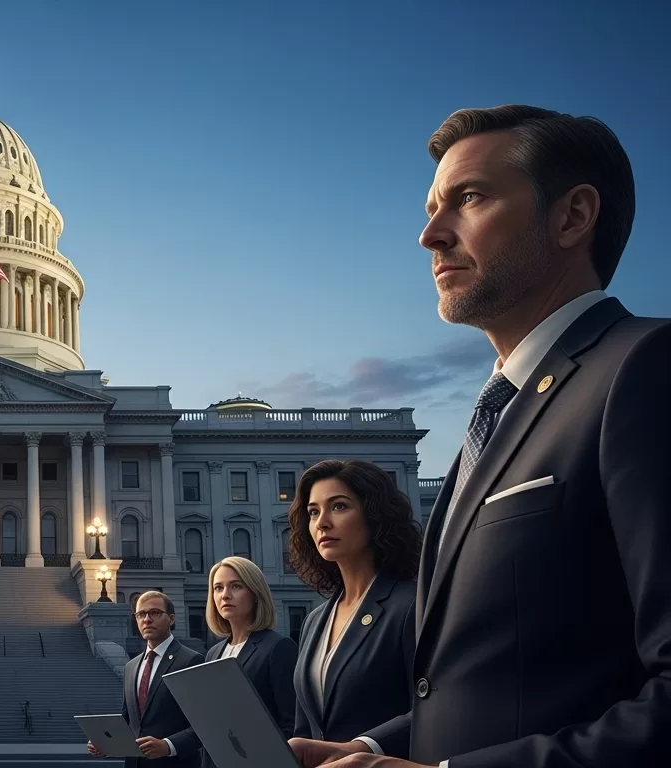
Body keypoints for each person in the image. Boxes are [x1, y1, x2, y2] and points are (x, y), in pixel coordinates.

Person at [292, 106, 670, 768]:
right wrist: (372, 748)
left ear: (573, 217)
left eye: (469, 198)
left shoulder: (644, 368)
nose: (430, 236)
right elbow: (489, 682)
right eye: (434, 207)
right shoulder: (501, 412)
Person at [285, 460, 421, 747]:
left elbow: (434, 706)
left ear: (375, 516)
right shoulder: (314, 620)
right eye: (313, 512)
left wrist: (365, 746)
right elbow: (305, 727)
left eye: (339, 506)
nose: (322, 522)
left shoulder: (412, 604)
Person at [88, 590, 204, 767]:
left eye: (155, 613)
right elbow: (129, 719)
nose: (147, 619)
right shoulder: (131, 666)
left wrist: (168, 745)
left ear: (171, 619)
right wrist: (106, 744)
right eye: (141, 614)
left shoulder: (191, 660)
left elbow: (205, 724)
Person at [203, 555, 298, 766]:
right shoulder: (213, 653)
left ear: (256, 594)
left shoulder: (278, 647)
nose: (225, 595)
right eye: (218, 588)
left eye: (236, 586)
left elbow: (291, 723)